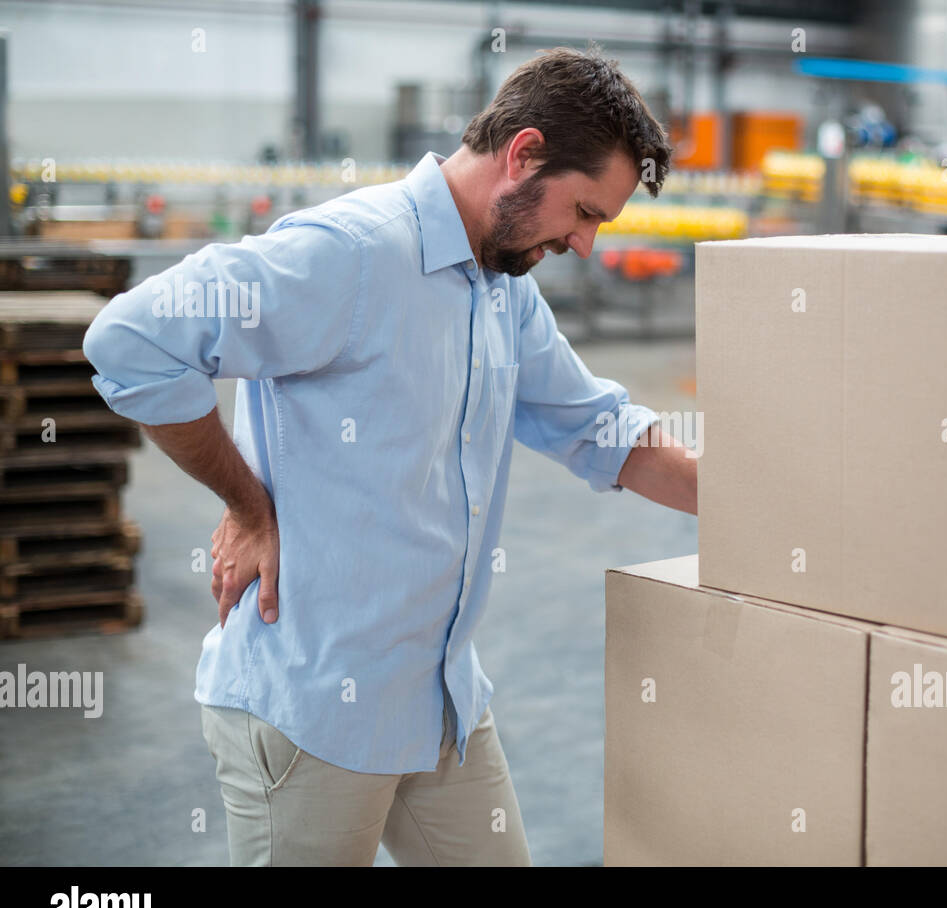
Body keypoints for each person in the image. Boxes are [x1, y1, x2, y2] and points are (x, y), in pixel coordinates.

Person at [82, 46, 696, 866]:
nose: (584, 244)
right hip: (314, 716)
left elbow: (598, 428)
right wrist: (245, 503)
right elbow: (131, 341)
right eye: (584, 212)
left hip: (440, 703)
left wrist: (760, 505)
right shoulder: (349, 255)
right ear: (525, 154)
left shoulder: (503, 289)